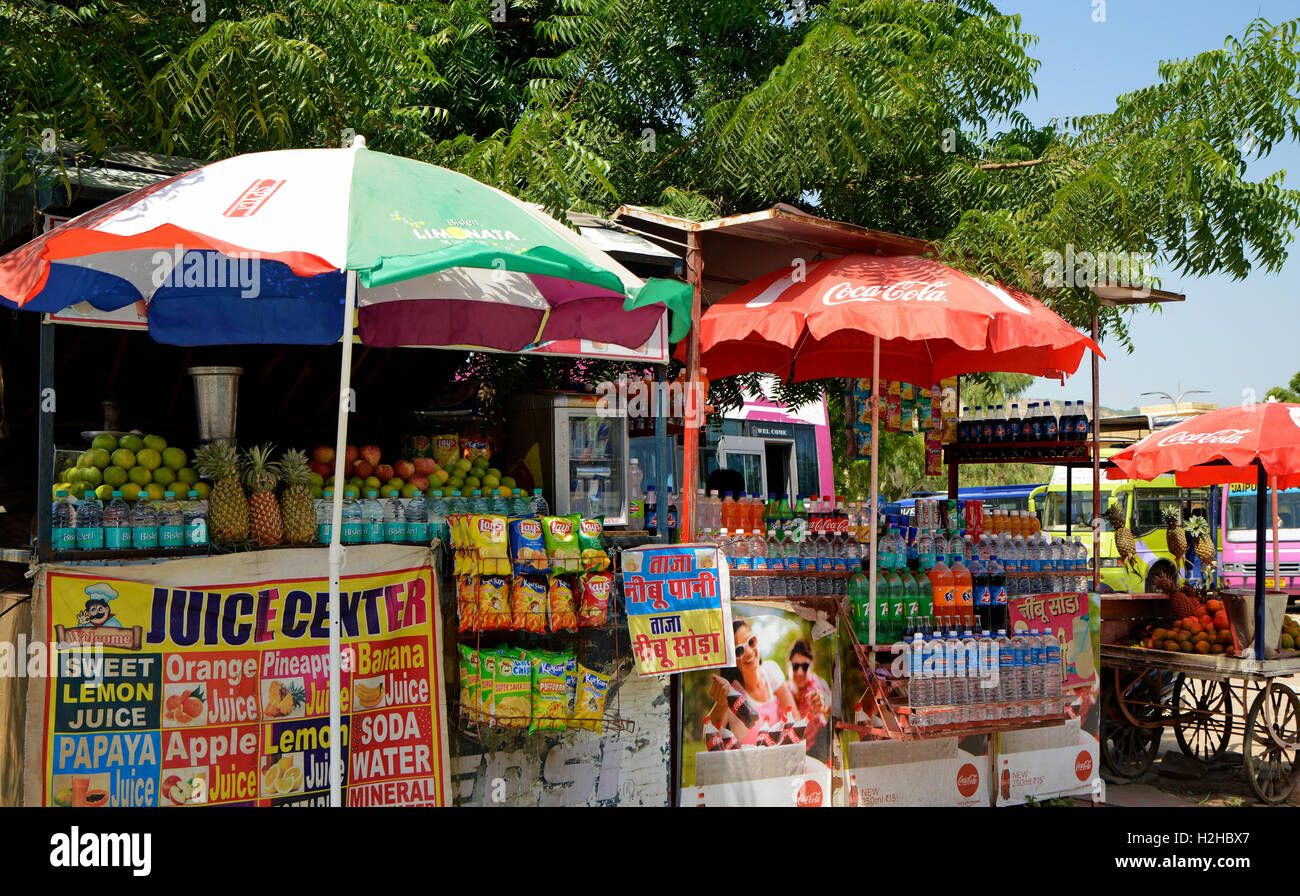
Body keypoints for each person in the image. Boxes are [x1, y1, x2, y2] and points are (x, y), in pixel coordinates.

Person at [707, 618, 795, 745]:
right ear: (732, 659)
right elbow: (710, 732)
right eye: (739, 650)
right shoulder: (732, 693)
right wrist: (722, 699)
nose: (748, 652)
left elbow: (794, 718)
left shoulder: (771, 670)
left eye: (751, 642)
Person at [786, 640, 830, 757]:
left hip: (818, 747)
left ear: (812, 667)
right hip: (793, 751)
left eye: (805, 667)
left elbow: (829, 703)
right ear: (788, 667)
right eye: (795, 666)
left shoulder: (818, 683)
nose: (800, 672)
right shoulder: (783, 690)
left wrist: (823, 703)